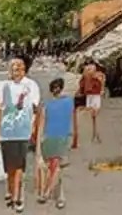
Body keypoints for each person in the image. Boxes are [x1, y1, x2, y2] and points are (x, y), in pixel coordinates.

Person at [0, 58, 41, 213]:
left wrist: (35, 130)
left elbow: (36, 109)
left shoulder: (31, 86)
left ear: (25, 70)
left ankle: (18, 197)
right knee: (10, 169)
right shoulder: (2, 87)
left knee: (19, 167)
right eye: (14, 68)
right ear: (9, 71)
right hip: (7, 133)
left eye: (20, 68)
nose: (17, 71)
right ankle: (11, 190)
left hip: (23, 132)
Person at [36, 78, 76, 208]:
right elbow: (73, 121)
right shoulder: (69, 102)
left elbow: (41, 126)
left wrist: (38, 146)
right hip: (62, 137)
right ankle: (56, 195)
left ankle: (50, 193)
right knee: (57, 168)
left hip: (48, 137)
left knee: (53, 167)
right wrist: (74, 137)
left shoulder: (46, 105)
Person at [75, 63, 105, 145]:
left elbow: (101, 84)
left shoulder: (97, 76)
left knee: (94, 113)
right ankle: (94, 133)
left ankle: (95, 133)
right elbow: (81, 85)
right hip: (91, 95)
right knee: (92, 113)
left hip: (94, 95)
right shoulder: (88, 77)